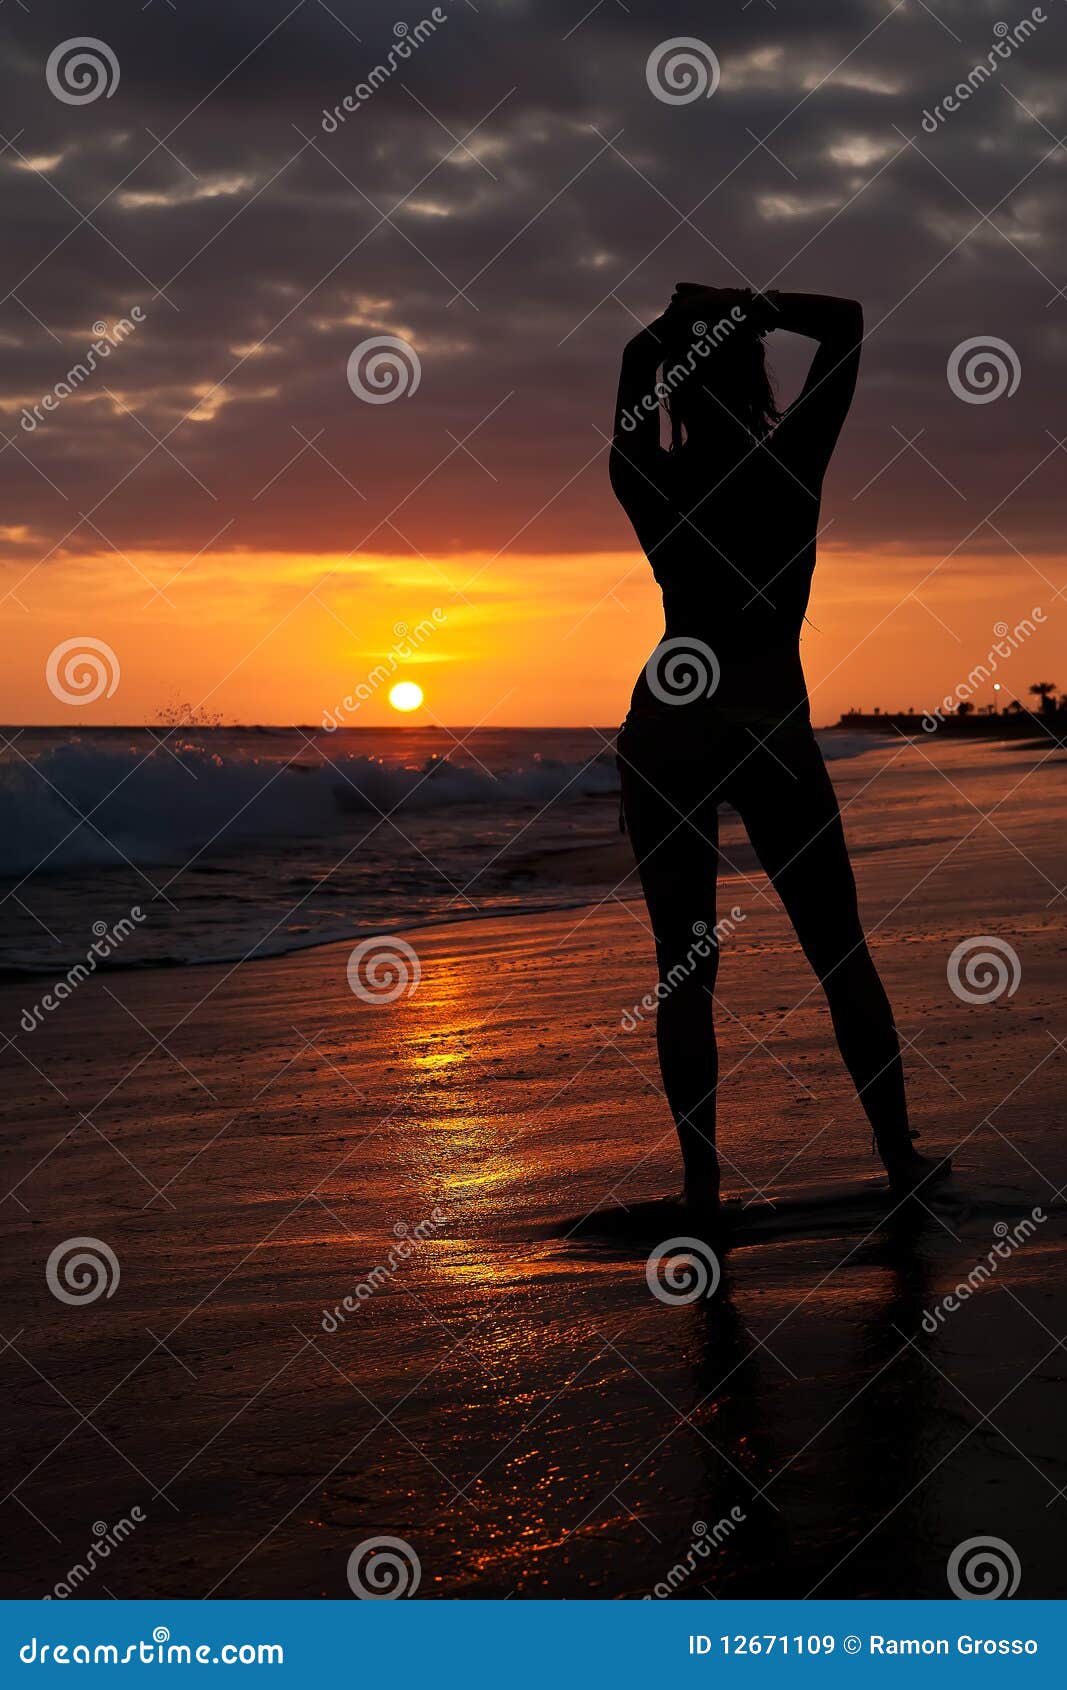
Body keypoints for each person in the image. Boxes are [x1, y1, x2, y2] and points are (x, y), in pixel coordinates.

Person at [610, 282, 951, 1210]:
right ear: (757, 383)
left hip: (669, 723)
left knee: (683, 969)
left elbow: (636, 361)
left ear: (677, 386)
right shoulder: (791, 461)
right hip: (766, 720)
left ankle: (701, 1186)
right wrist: (745, 302)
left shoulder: (650, 478)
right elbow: (844, 321)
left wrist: (679, 325)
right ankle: (898, 1160)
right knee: (838, 952)